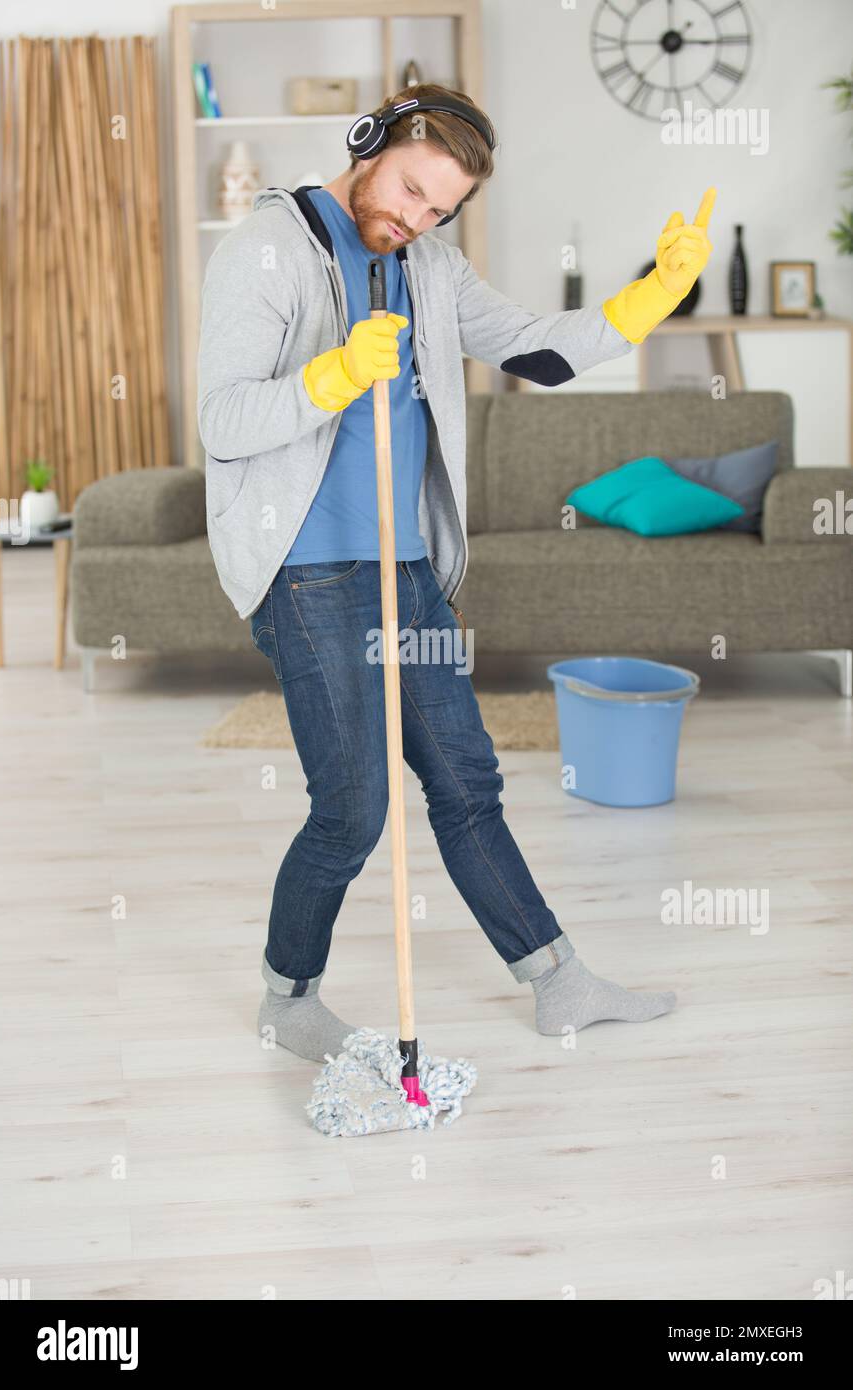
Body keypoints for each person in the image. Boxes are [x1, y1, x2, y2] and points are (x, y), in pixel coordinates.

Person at [197, 83, 716, 1064]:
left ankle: (557, 979)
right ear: (367, 145)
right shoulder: (265, 249)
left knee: (467, 780)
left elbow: (538, 353)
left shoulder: (427, 268)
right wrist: (331, 376)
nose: (411, 218)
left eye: (436, 208)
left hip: (406, 565)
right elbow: (221, 422)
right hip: (308, 572)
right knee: (351, 805)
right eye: (406, 190)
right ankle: (287, 994)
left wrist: (649, 295)